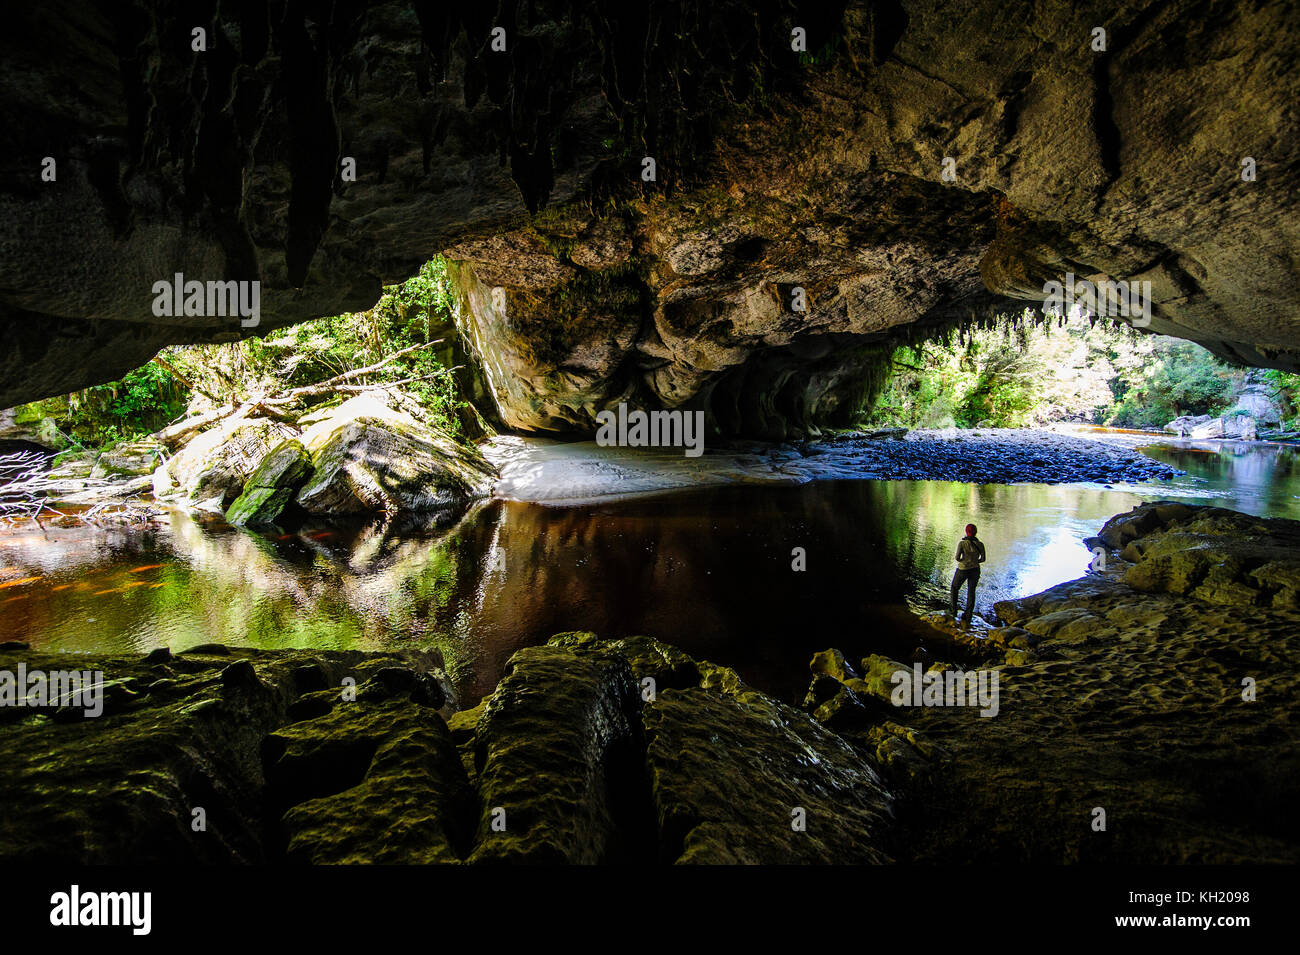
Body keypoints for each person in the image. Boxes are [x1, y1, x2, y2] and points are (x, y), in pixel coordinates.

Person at [950, 523, 986, 624]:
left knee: (954, 588)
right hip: (975, 570)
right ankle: (968, 615)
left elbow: (957, 558)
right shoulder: (980, 544)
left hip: (963, 569)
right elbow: (983, 559)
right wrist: (974, 561)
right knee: (971, 591)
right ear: (975, 532)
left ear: (966, 531)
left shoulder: (962, 543)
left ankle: (953, 611)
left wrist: (963, 560)